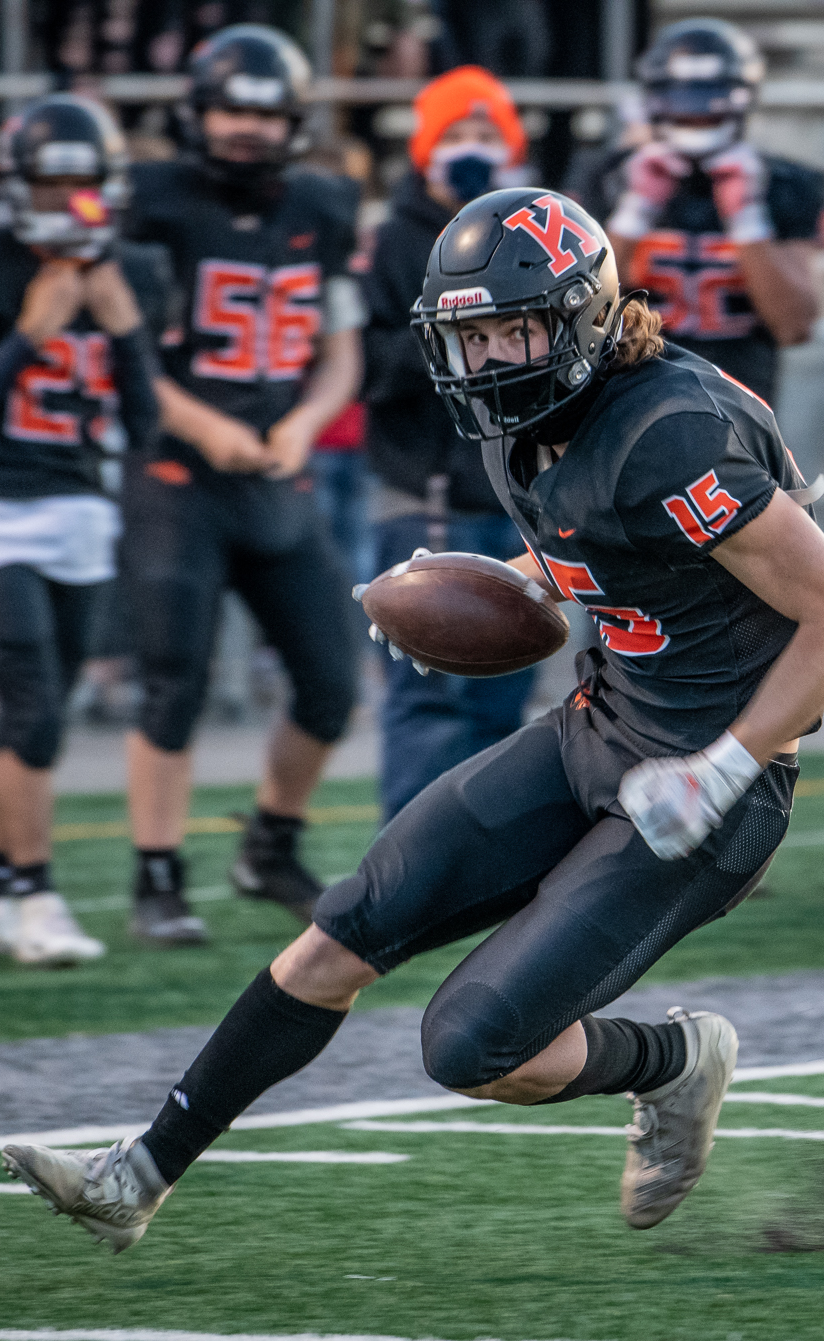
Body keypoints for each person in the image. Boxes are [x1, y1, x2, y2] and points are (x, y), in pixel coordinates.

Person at [0, 187, 824, 1252]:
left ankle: (676, 1061)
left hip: (706, 792)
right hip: (600, 731)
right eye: (467, 337)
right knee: (345, 925)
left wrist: (725, 766)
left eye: (511, 328)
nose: (488, 359)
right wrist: (487, 584)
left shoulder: (669, 431)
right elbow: (605, 551)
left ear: (582, 315)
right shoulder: (529, 428)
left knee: (472, 1046)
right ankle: (134, 1177)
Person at [118, 25, 365, 944]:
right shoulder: (152, 203)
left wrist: (302, 423)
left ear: (294, 121)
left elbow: (338, 346)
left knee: (332, 679)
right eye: (229, 109)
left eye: (264, 113)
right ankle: (156, 873)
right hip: (179, 474)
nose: (246, 128)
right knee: (172, 679)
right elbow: (124, 347)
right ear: (196, 113)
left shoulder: (322, 205)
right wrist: (203, 423)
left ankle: (269, 842)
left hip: (274, 472)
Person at [0, 94, 170, 967]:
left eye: (85, 186)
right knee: (31, 707)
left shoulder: (129, 270)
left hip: (79, 511)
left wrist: (126, 329)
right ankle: (35, 895)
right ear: (19, 184)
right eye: (54, 184)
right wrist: (31, 331)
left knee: (37, 715)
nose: (71, 204)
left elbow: (143, 430)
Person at [361, 64, 539, 822]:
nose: (470, 148)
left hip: (517, 491)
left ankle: (486, 849)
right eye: (455, 134)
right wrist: (456, 335)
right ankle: (409, 856)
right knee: (426, 690)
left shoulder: (528, 235)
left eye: (485, 134)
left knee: (508, 685)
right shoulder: (395, 240)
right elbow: (370, 365)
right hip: (429, 491)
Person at [577, 18, 824, 406]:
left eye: (706, 108)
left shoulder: (783, 183)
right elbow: (577, 309)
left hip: (739, 407)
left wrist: (748, 220)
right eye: (684, 107)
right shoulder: (610, 177)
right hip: (627, 402)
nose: (695, 118)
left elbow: (794, 326)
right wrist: (633, 212)